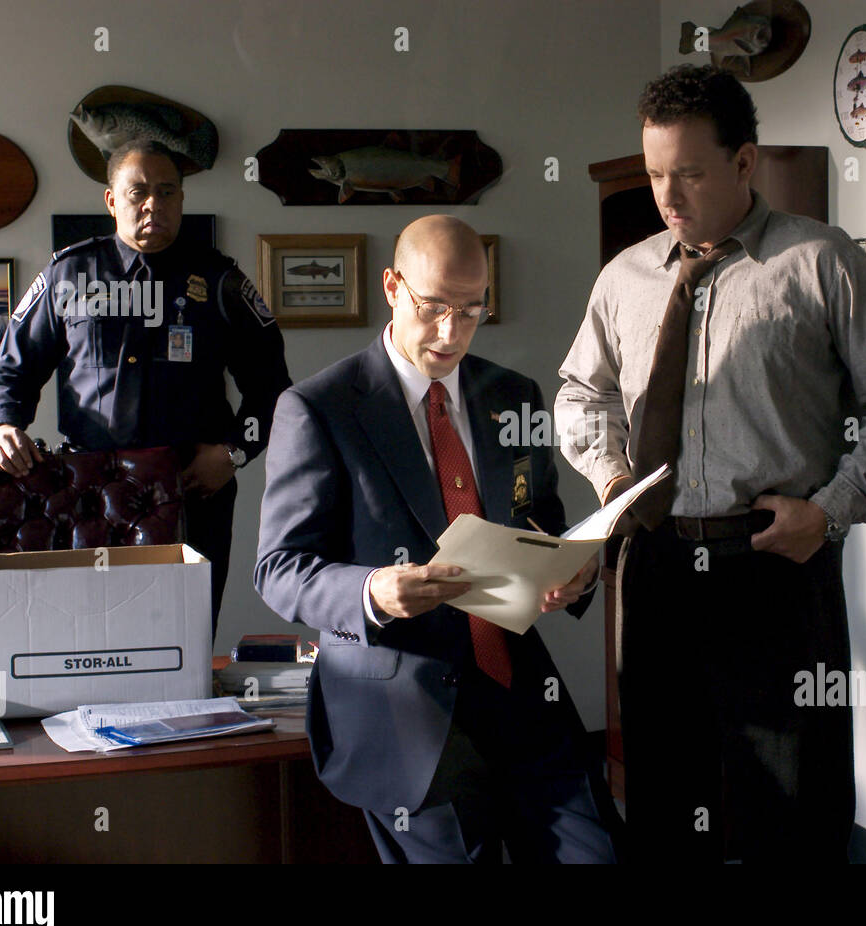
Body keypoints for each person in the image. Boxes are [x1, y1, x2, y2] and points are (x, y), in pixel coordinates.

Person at [555, 64, 866, 863]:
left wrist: (830, 511)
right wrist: (613, 481)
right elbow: (580, 396)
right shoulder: (624, 278)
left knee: (792, 807)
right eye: (656, 173)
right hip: (654, 565)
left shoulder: (820, 263)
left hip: (774, 564)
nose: (668, 194)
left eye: (689, 172)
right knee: (660, 797)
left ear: (744, 161)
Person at [254, 215, 614, 864]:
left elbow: (545, 522)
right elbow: (279, 569)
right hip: (400, 706)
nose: (452, 332)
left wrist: (575, 569)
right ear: (392, 286)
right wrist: (372, 590)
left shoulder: (513, 395)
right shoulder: (318, 409)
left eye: (472, 310)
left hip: (521, 690)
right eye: (434, 307)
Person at [0, 139, 291, 634]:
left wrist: (233, 453)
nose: (154, 204)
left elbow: (274, 389)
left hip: (192, 487)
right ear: (111, 200)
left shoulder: (218, 282)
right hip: (89, 489)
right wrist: (2, 425)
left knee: (183, 637)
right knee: (88, 632)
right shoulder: (69, 275)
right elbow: (11, 370)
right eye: (138, 192)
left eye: (167, 192)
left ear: (182, 201)